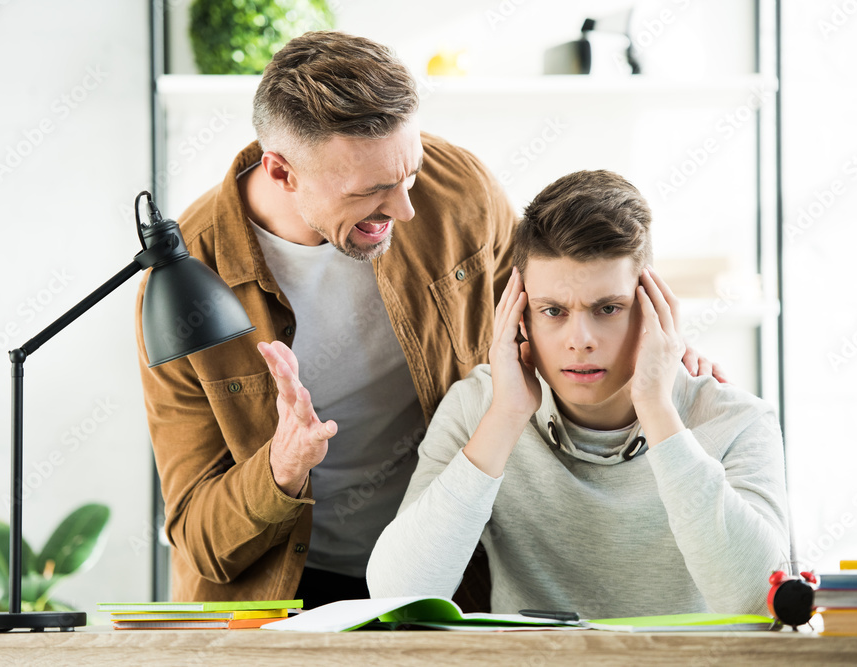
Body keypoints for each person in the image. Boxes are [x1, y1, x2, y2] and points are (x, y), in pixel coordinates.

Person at [135, 31, 720, 607]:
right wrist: (280, 467)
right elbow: (198, 537)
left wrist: (647, 345)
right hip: (276, 599)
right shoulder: (188, 284)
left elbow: (553, 311)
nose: (406, 208)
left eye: (410, 173)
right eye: (373, 190)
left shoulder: (459, 189)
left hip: (449, 571)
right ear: (283, 171)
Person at [366, 170, 789, 618]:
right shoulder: (480, 409)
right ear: (520, 314)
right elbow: (398, 597)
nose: (580, 339)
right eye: (553, 311)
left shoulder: (738, 421)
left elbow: (759, 602)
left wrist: (657, 411)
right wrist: (506, 416)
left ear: (651, 309)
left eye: (608, 308)